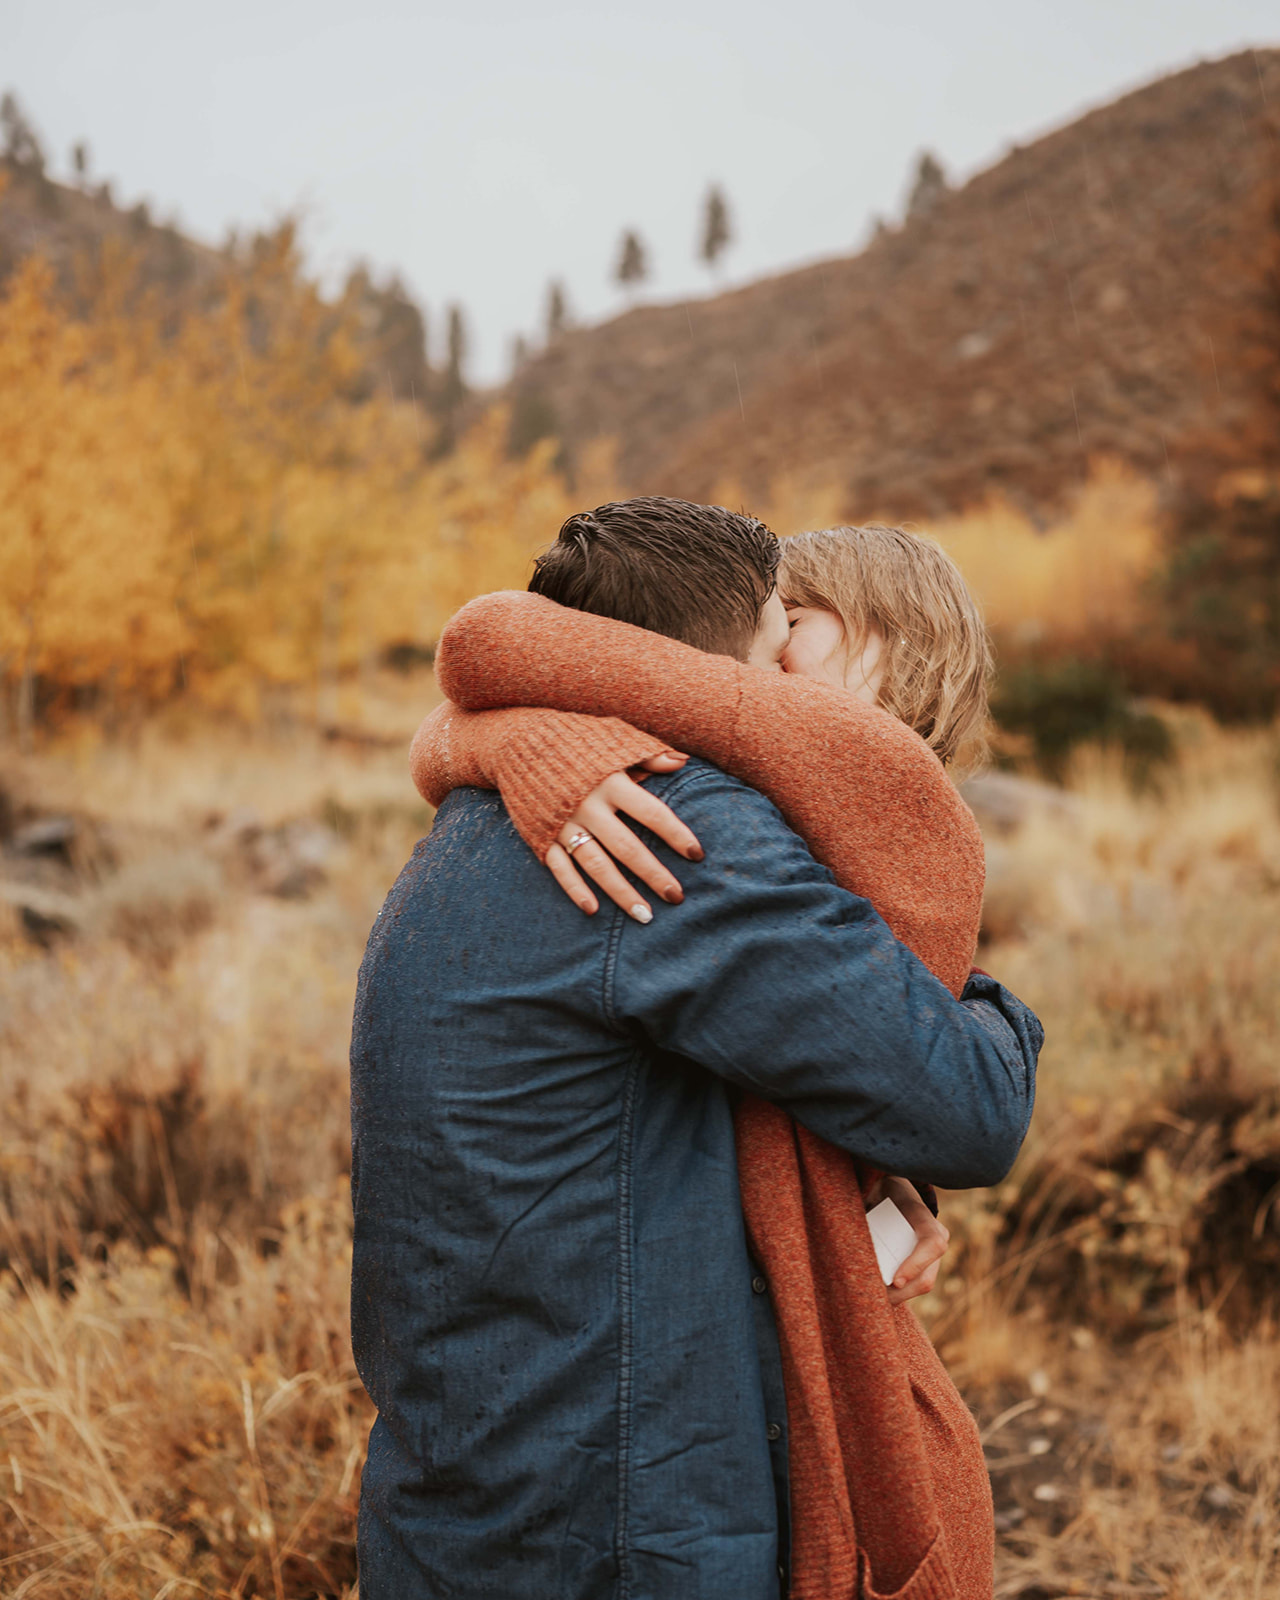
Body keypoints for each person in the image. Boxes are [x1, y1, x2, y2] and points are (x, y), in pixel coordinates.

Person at [351, 497, 1041, 1600]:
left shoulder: (518, 806)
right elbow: (966, 1108)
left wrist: (853, 1171)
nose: (772, 668)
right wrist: (981, 1019)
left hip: (476, 1491)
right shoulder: (676, 824)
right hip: (620, 1524)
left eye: (800, 626)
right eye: (775, 626)